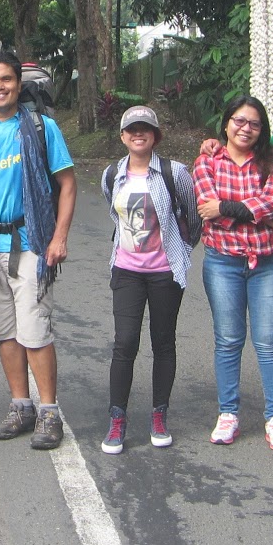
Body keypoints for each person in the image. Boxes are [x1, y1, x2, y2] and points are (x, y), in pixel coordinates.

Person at [0, 52, 77, 450]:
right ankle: (21, 406)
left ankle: (48, 412)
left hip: (32, 244)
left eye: (6, 79)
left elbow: (67, 183)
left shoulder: (42, 128)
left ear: (18, 84)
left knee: (35, 332)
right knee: (6, 332)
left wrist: (59, 237)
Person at [189, 97, 273, 450]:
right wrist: (258, 215)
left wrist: (228, 207)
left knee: (269, 343)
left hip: (268, 264)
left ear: (262, 130)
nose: (246, 128)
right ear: (227, 123)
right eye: (239, 121)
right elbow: (208, 208)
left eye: (254, 124)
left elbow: (272, 203)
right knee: (229, 341)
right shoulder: (206, 161)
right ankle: (228, 413)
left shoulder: (272, 162)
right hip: (223, 263)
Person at [98, 106, 198, 453]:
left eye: (145, 128)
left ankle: (159, 415)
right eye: (131, 129)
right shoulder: (112, 174)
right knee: (125, 343)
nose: (138, 134)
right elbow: (114, 212)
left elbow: (192, 216)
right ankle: (117, 418)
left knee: (163, 342)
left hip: (164, 272)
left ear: (155, 135)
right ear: (123, 136)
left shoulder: (175, 172)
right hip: (126, 270)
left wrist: (181, 251)